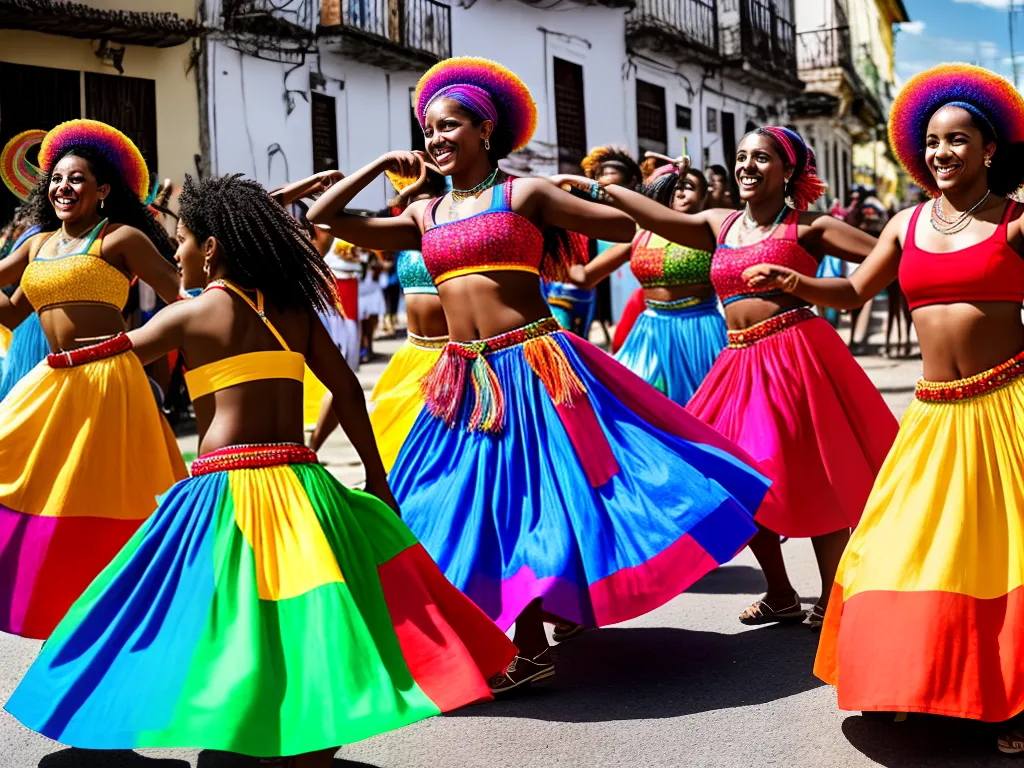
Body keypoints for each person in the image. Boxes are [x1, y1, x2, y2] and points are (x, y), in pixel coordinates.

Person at [5, 173, 517, 768]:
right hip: (304, 482)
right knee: (308, 610)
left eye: (183, 242)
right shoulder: (294, 309)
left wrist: (51, 375)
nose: (176, 253)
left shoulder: (188, 317)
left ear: (212, 248)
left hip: (225, 488)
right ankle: (307, 732)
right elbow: (348, 391)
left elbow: (97, 365)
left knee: (173, 609)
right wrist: (377, 478)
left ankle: (223, 716)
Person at [308, 57, 771, 691]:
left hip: (532, 365)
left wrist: (581, 191)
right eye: (427, 131)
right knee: (441, 506)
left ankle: (528, 645)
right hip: (462, 378)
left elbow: (625, 228)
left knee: (539, 504)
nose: (436, 140)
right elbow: (324, 221)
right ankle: (525, 631)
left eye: (449, 127)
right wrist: (377, 167)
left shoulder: (523, 194)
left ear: (485, 131)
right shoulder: (426, 214)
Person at [743, 63, 1024, 753]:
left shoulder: (1016, 222)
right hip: (935, 417)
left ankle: (1012, 701)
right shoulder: (905, 223)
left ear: (990, 149)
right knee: (903, 552)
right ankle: (911, 682)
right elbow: (852, 294)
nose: (942, 153)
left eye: (958, 140)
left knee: (1006, 557)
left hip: (1006, 406)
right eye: (932, 141)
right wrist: (796, 281)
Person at [558, 125, 898, 628]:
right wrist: (598, 189)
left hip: (796, 356)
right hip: (738, 361)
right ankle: (780, 591)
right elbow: (654, 216)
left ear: (790, 171)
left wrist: (810, 285)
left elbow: (889, 257)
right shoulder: (719, 223)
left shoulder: (811, 228)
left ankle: (833, 597)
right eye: (741, 157)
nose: (746, 166)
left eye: (761, 158)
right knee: (734, 477)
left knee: (814, 478)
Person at [0, 119, 187, 639]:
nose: (63, 187)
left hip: (108, 381)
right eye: (56, 179)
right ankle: (42, 590)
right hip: (50, 379)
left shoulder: (119, 238)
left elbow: (181, 298)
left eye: (77, 179)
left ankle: (128, 605)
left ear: (103, 190)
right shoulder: (36, 245)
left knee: (108, 491)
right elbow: (13, 312)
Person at [570, 161, 723, 405]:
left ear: (705, 197)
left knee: (704, 409)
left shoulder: (713, 232)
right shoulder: (641, 233)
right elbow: (586, 277)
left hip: (699, 332)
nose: (680, 191)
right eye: (675, 186)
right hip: (649, 333)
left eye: (689, 187)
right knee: (629, 404)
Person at [546, 145, 643, 339]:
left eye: (611, 175)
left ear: (632, 181)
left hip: (639, 311)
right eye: (599, 178)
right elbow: (580, 275)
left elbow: (582, 276)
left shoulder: (642, 223)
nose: (604, 182)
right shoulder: (587, 220)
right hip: (573, 301)